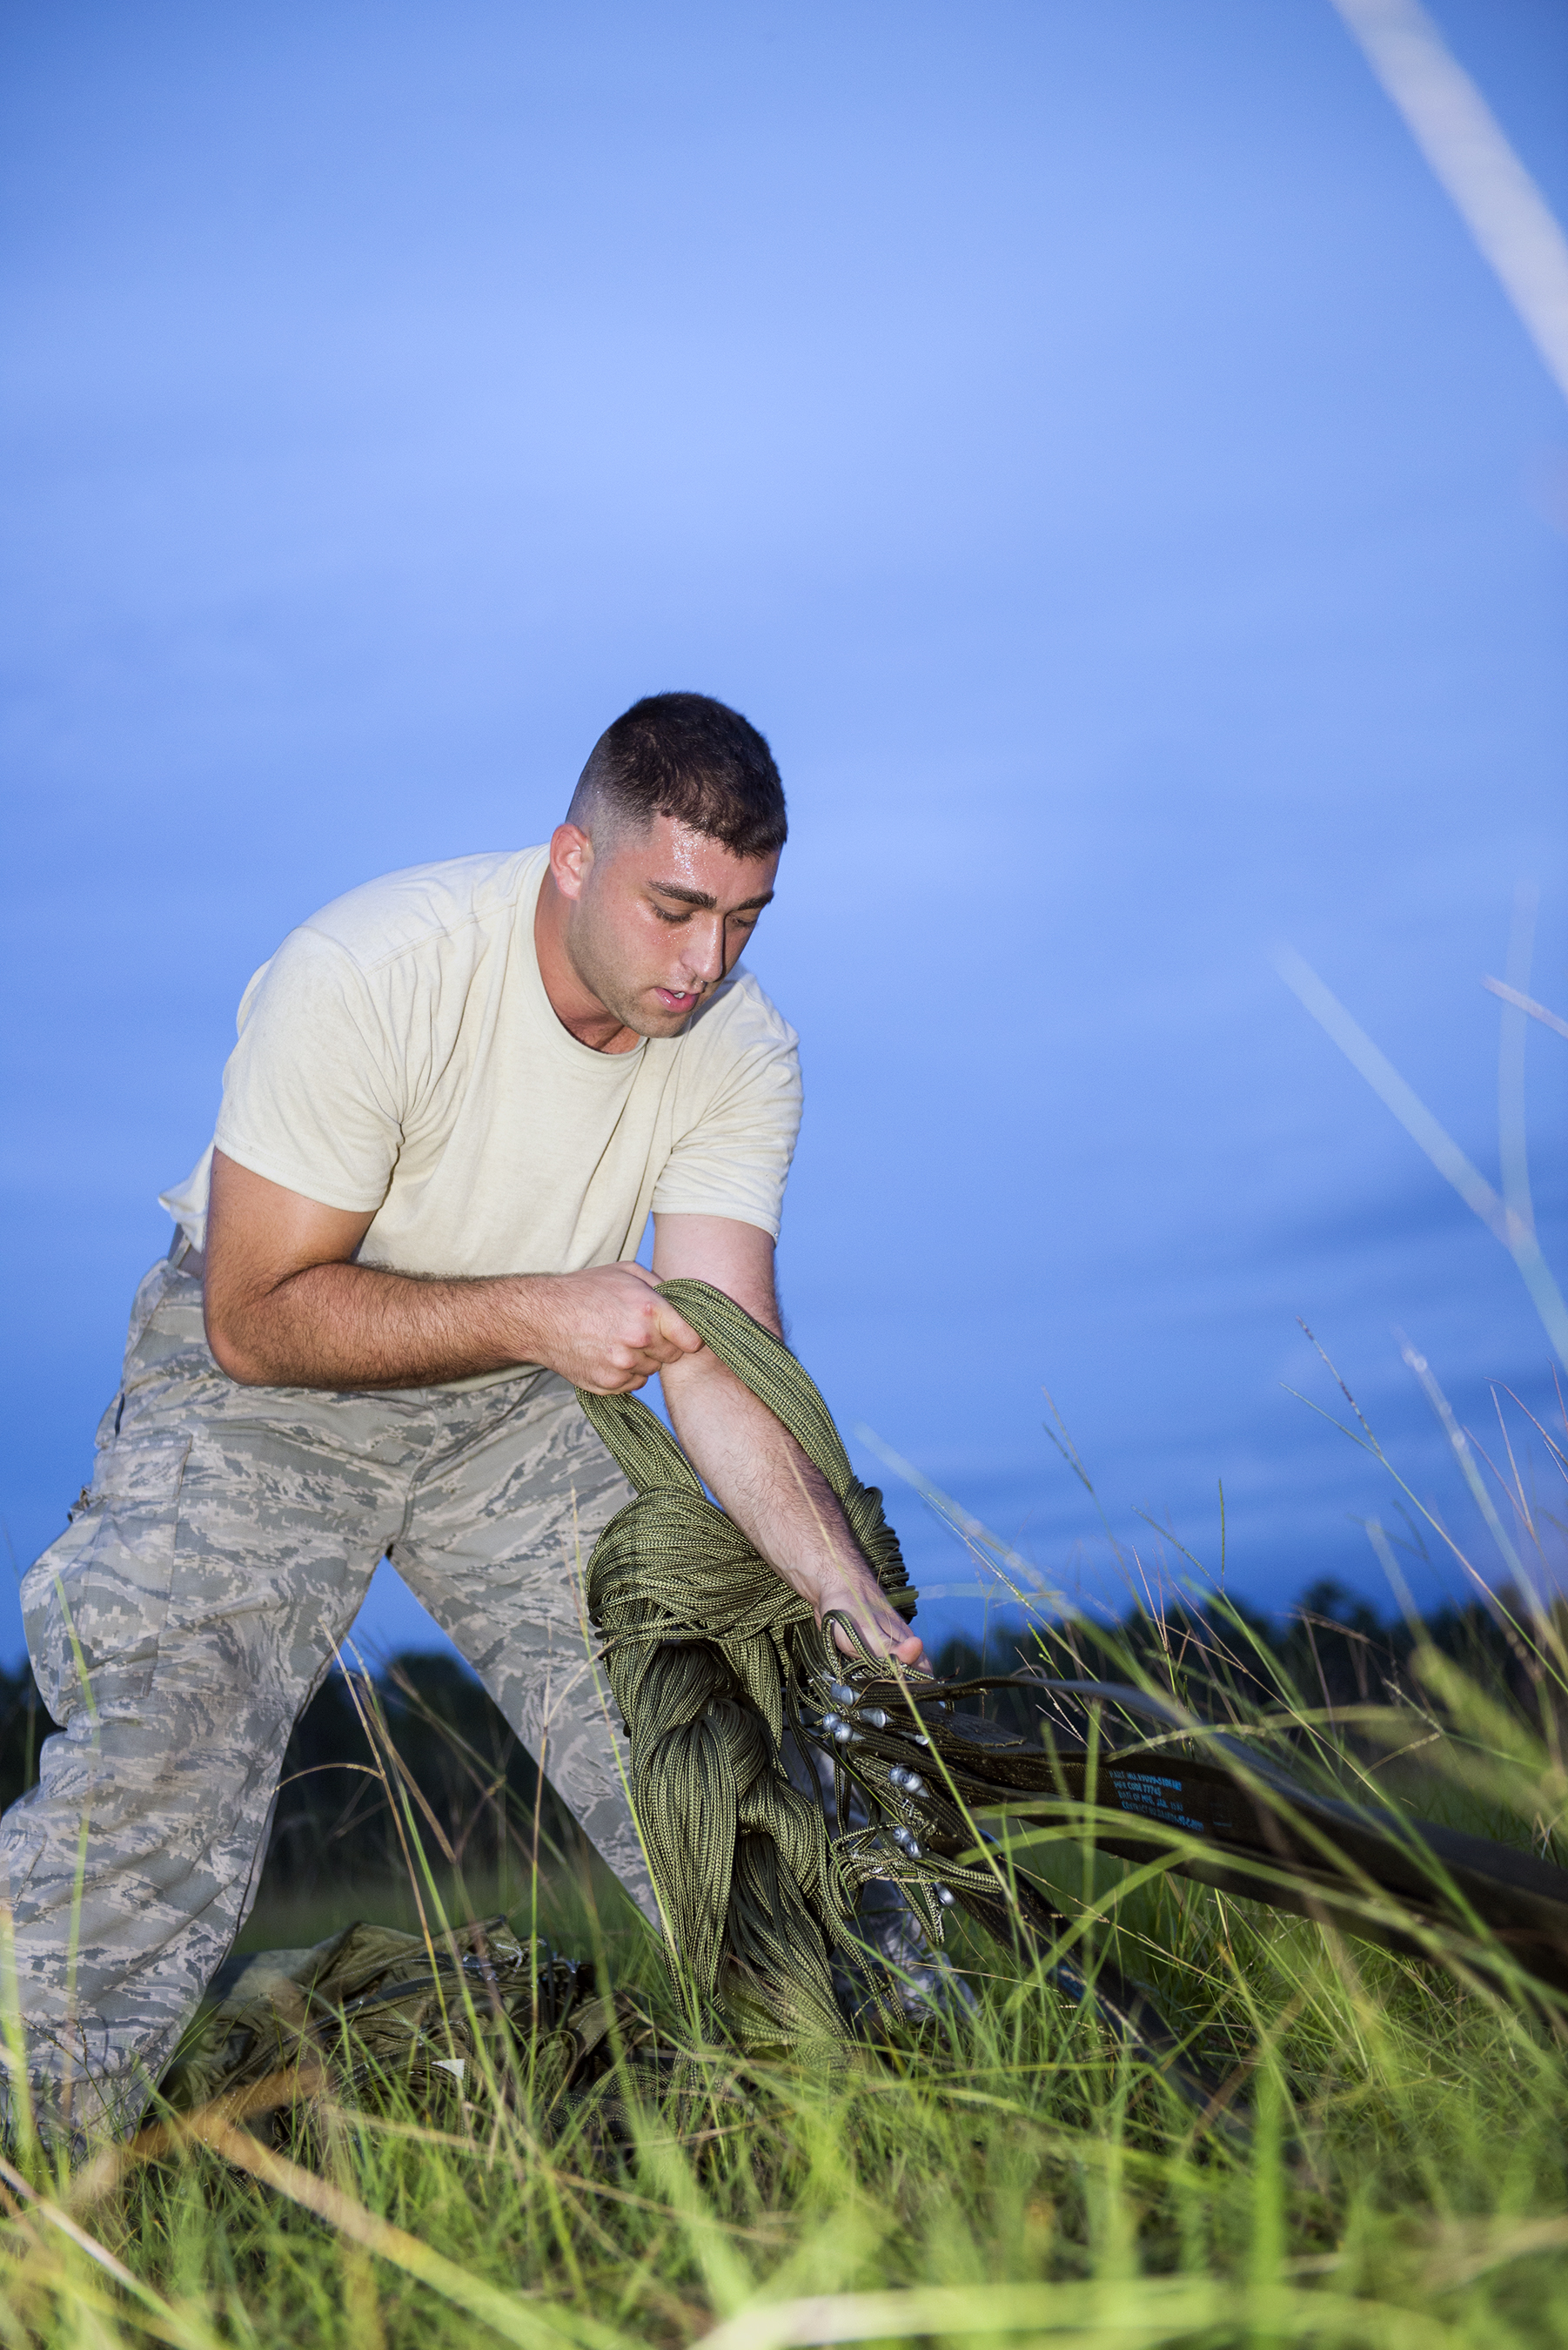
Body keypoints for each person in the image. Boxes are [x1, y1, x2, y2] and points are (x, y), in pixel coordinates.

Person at [1, 690, 925, 2146]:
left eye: (745, 919)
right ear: (571, 857)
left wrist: (840, 1593)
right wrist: (537, 1313)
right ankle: (27, 2168)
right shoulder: (374, 970)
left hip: (514, 1405)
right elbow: (255, 1317)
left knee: (717, 1742)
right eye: (676, 908)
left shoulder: (742, 1052)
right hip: (269, 1382)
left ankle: (892, 2101)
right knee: (165, 1753)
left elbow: (718, 1359)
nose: (707, 964)